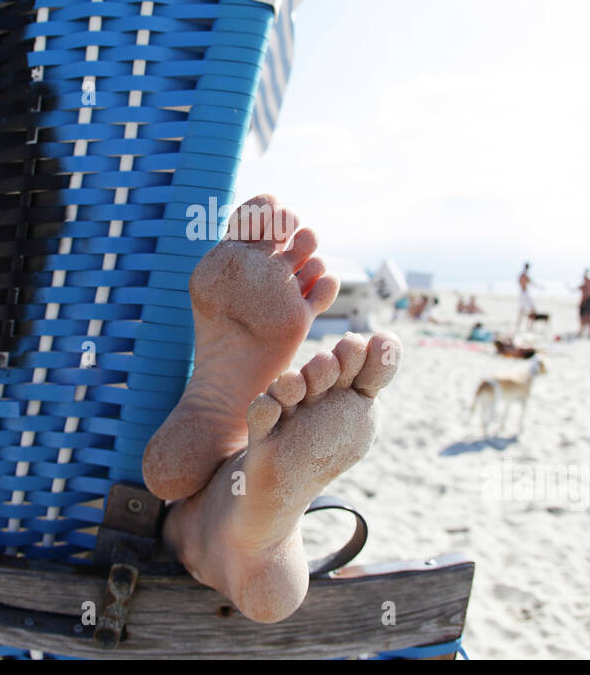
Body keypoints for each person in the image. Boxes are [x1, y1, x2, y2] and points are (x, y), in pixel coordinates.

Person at [142, 194, 401, 624]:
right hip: (187, 532)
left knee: (178, 503)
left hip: (109, 520)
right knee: (221, 498)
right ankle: (240, 531)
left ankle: (232, 480)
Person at [515, 262, 536, 332]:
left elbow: (521, 282)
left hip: (522, 293)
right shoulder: (524, 275)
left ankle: (518, 326)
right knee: (532, 309)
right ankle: (529, 326)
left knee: (522, 310)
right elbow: (529, 282)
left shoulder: (522, 275)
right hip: (524, 293)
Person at [576, 268, 590, 337]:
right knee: (582, 316)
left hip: (588, 300)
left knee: (588, 316)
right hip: (584, 301)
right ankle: (582, 330)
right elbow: (575, 289)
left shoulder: (589, 282)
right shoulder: (584, 285)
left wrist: (586, 274)